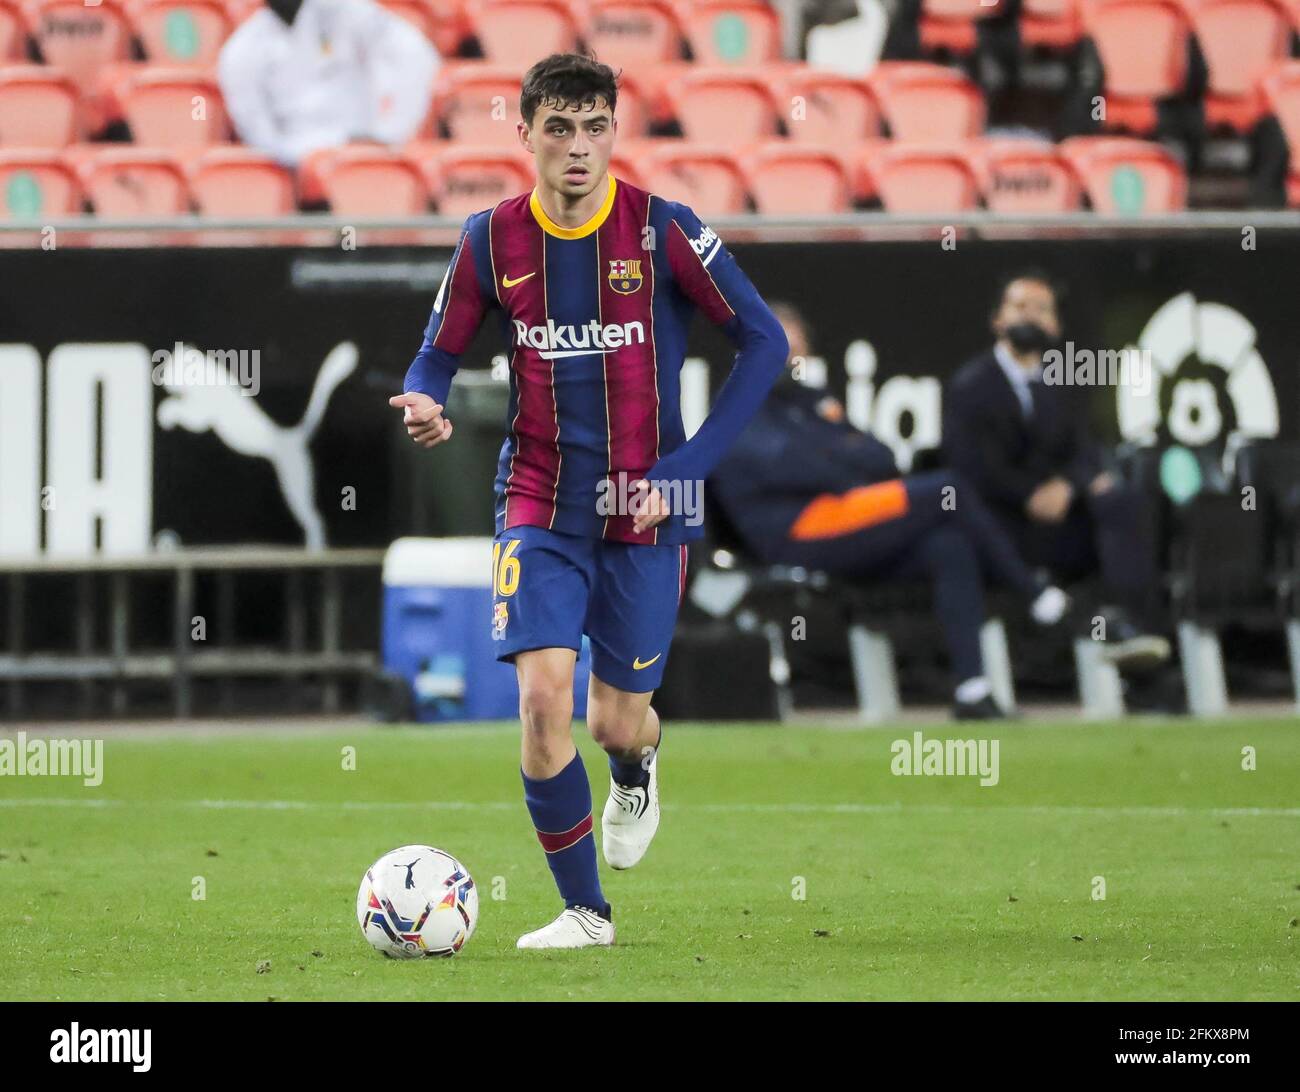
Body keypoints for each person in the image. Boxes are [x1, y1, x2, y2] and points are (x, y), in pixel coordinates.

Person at [390, 54, 788, 950]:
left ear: (615, 131)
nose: (578, 146)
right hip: (537, 499)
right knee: (542, 702)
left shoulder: (664, 231)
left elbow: (763, 344)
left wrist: (687, 469)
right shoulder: (490, 239)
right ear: (524, 132)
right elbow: (437, 353)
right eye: (559, 127)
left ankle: (638, 763)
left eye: (595, 126)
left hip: (646, 511)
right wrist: (426, 398)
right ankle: (585, 911)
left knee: (613, 719)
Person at [710, 302, 1072, 720]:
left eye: (797, 348)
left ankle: (972, 690)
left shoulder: (809, 400)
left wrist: (831, 460)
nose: (790, 358)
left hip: (844, 519)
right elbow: (789, 468)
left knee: (947, 544)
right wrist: (836, 461)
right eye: (779, 345)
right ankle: (1034, 594)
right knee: (946, 489)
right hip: (796, 531)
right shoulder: (737, 405)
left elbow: (879, 455)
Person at [943, 271, 1170, 668]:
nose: (1030, 317)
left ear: (1056, 325)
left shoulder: (1065, 382)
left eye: (1042, 309)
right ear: (998, 319)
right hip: (1001, 528)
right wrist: (1030, 494)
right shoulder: (970, 386)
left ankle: (1134, 630)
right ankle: (1104, 627)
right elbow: (972, 470)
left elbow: (1087, 450)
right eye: (1020, 307)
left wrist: (1068, 486)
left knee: (1120, 501)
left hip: (1059, 522)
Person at [217, 0, 438, 167]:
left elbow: (416, 56)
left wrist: (389, 133)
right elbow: (260, 139)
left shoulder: (345, 11)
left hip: (367, 157)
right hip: (297, 172)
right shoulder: (241, 51)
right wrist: (321, 154)